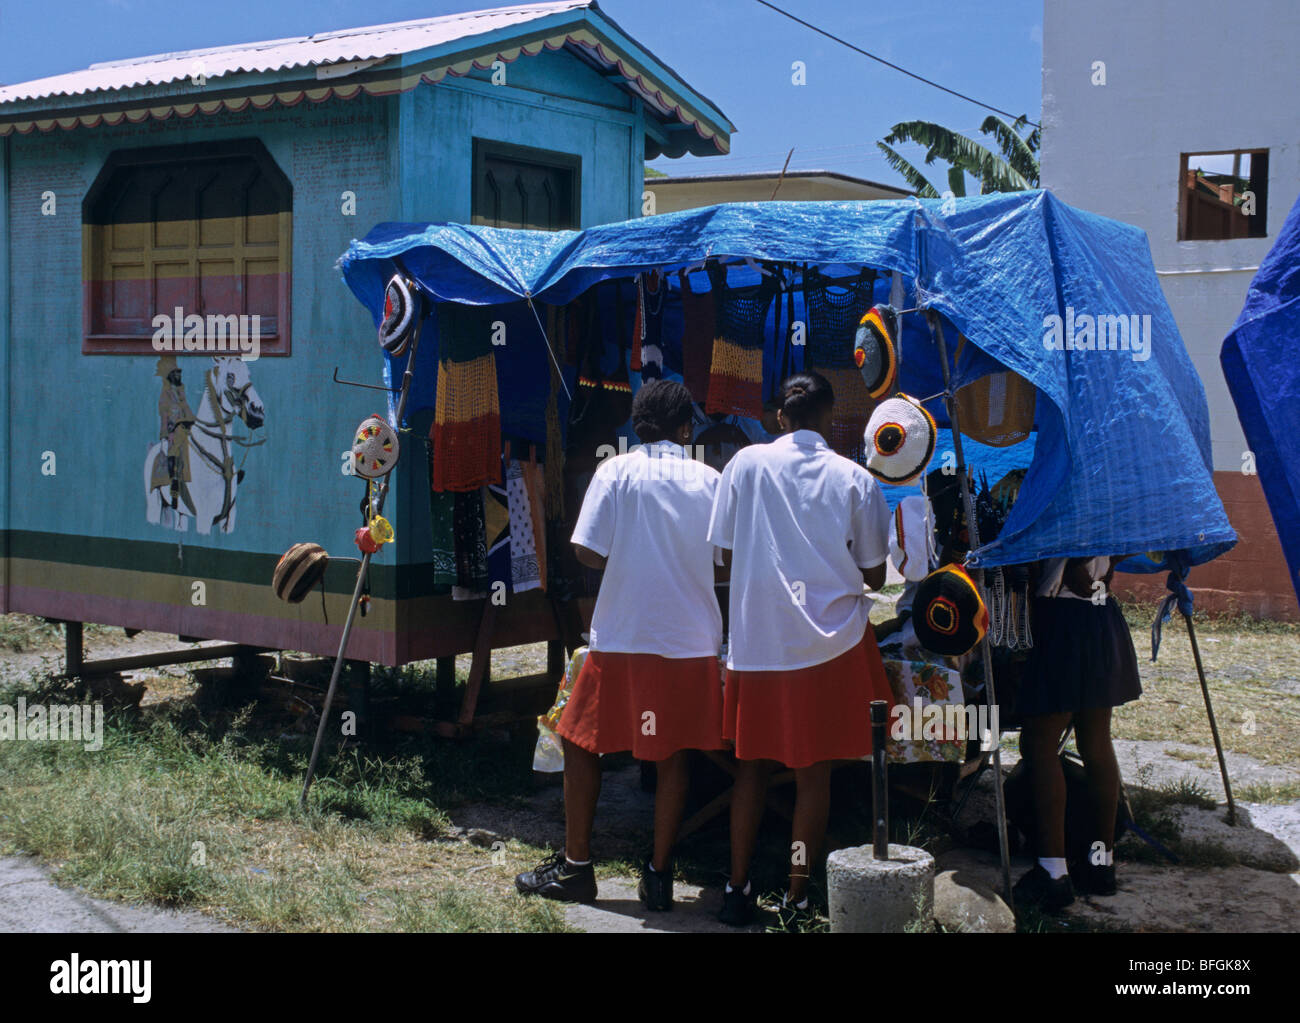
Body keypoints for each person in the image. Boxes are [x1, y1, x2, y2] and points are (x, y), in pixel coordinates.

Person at [515, 379, 725, 910]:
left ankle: (577, 867)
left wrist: (631, 557)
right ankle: (658, 874)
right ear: (685, 429)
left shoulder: (616, 470)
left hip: (623, 634)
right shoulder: (711, 479)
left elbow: (585, 550)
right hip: (691, 640)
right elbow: (725, 559)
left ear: (638, 425)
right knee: (673, 752)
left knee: (583, 742)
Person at [708, 371, 893, 926]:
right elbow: (876, 575)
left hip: (759, 641)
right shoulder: (856, 479)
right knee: (815, 776)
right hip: (830, 647)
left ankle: (736, 888)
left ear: (779, 418)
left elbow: (722, 555)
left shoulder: (744, 464)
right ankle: (796, 896)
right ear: (831, 418)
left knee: (751, 770)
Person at [1011, 555, 1142, 911]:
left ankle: (1053, 873)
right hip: (1099, 611)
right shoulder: (1116, 497)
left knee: (1040, 743)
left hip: (1065, 616)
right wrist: (1108, 559)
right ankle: (1101, 864)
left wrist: (1074, 562)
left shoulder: (1062, 495)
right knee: (1095, 739)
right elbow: (1132, 532)